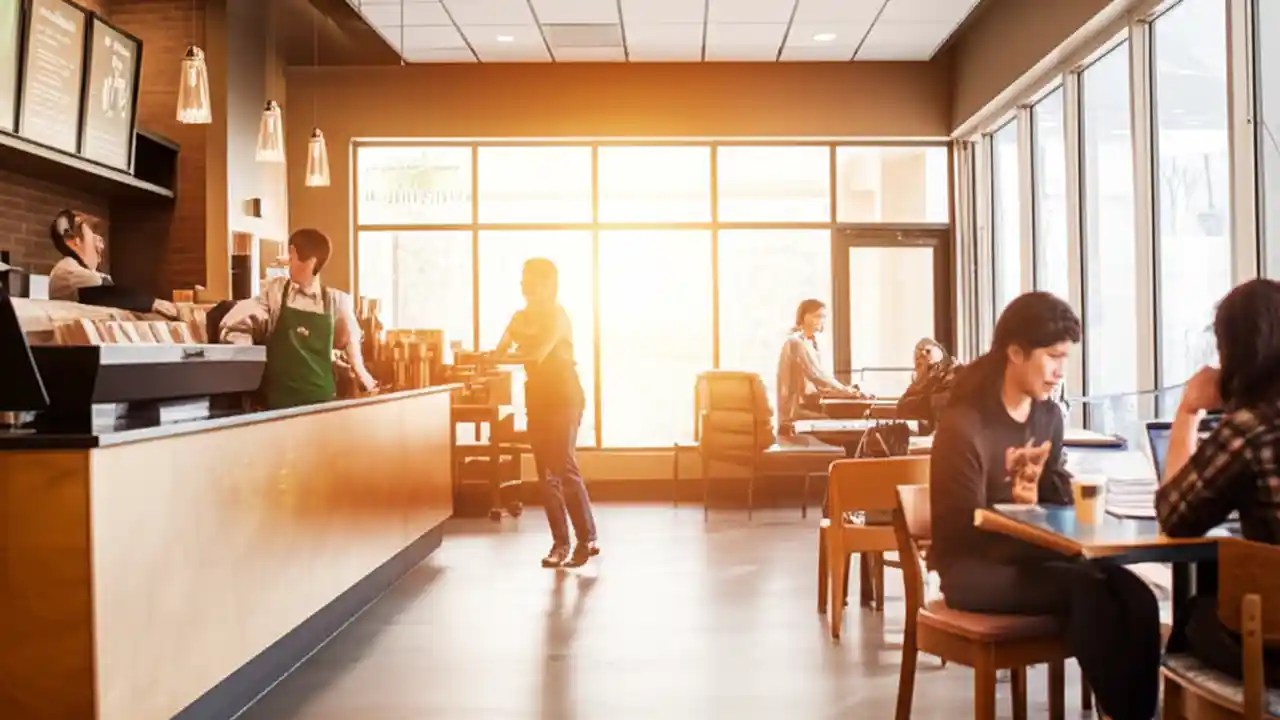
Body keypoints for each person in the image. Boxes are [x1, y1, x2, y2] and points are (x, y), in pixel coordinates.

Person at [930, 292, 1159, 720]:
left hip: (1032, 558)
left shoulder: (1048, 417)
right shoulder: (965, 427)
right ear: (1015, 352)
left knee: (1136, 594)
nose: (1059, 371)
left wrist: (1061, 498)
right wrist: (1027, 523)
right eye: (1053, 357)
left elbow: (1054, 499)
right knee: (1087, 590)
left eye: (1065, 359)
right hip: (972, 568)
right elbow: (960, 529)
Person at [1158, 278, 1280, 683]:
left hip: (1274, 650)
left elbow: (1173, 515)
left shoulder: (1251, 428)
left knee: (1192, 615)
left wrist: (1189, 410)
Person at [495, 258, 598, 569]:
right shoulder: (518, 317)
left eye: (531, 279)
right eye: (523, 278)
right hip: (537, 397)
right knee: (545, 474)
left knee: (563, 466)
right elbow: (499, 353)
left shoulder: (558, 316)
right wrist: (503, 355)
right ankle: (560, 544)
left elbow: (537, 354)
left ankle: (587, 538)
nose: (524, 284)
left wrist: (515, 353)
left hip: (565, 395)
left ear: (549, 285)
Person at [221, 228, 376, 409]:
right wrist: (246, 365)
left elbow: (350, 339)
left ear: (304, 258)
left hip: (322, 405)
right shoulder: (276, 293)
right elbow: (237, 324)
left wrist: (361, 372)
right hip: (278, 406)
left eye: (291, 257)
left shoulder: (336, 301)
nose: (289, 264)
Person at [47, 209, 178, 318]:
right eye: (92, 234)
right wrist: (152, 303)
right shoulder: (67, 270)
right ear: (73, 241)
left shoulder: (78, 270)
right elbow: (103, 295)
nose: (99, 241)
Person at [776, 299, 862, 435]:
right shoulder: (795, 342)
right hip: (795, 411)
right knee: (844, 426)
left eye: (823, 317)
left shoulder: (813, 342)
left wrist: (845, 391)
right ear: (804, 317)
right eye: (817, 316)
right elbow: (816, 375)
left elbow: (822, 380)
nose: (821, 320)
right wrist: (844, 390)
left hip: (809, 404)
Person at [896, 337, 960, 434]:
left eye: (928, 351)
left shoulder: (956, 378)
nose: (923, 353)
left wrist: (923, 381)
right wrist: (920, 381)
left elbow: (935, 405)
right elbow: (902, 407)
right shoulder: (930, 383)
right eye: (918, 364)